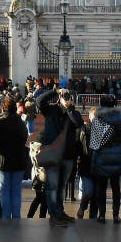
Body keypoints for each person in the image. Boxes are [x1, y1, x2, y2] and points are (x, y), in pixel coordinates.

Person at [37, 87, 83, 227]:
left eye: (70, 97)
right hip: (52, 153)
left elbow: (78, 123)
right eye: (65, 97)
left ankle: (60, 212)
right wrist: (55, 91)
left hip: (68, 155)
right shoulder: (51, 110)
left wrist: (69, 109)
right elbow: (39, 100)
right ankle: (54, 215)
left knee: (61, 186)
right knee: (52, 186)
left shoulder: (73, 113)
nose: (67, 99)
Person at [0, 95, 28, 220]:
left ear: (3, 108)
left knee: (4, 189)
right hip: (18, 160)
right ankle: (16, 216)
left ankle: (5, 217)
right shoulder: (20, 122)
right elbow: (24, 138)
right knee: (16, 190)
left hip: (2, 160)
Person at [90, 96, 121, 223]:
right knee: (116, 187)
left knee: (102, 187)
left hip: (102, 155)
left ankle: (102, 214)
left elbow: (94, 142)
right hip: (116, 153)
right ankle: (116, 215)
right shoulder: (120, 118)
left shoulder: (97, 118)